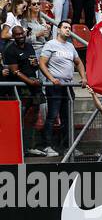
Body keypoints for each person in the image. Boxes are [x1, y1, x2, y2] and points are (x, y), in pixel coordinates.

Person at [37, 20, 84, 158]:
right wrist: (51, 78)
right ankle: (47, 146)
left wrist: (84, 77)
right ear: (58, 30)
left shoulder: (70, 46)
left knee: (67, 118)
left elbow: (79, 62)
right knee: (52, 116)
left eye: (69, 28)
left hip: (68, 86)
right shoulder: (50, 44)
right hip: (55, 86)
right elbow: (42, 63)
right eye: (65, 27)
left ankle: (68, 147)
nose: (68, 30)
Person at [2, 25, 44, 157]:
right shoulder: (10, 49)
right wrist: (30, 81)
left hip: (34, 86)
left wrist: (35, 64)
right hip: (22, 88)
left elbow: (34, 63)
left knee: (34, 115)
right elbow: (15, 71)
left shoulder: (29, 46)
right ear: (13, 36)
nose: (20, 36)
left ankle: (30, 146)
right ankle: (16, 147)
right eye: (17, 35)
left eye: (22, 34)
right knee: (20, 117)